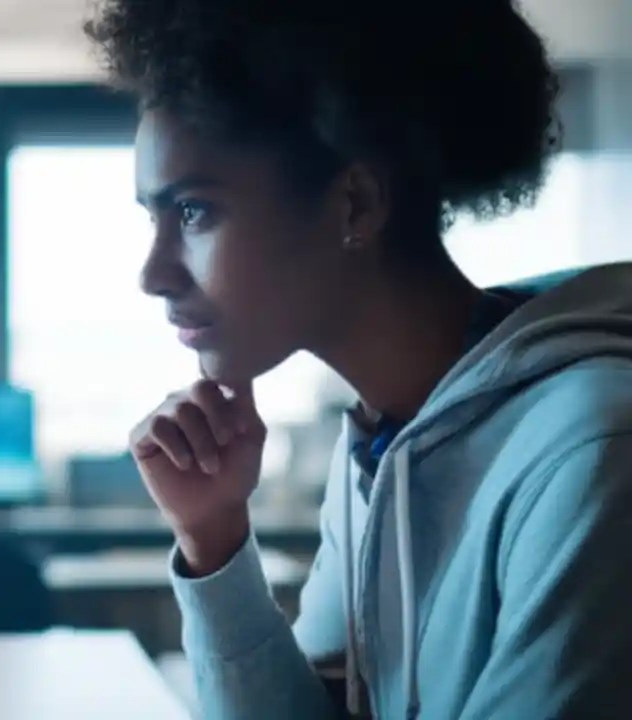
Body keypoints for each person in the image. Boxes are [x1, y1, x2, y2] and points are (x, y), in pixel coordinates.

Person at [85, 0, 632, 717]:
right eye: (152, 218)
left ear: (355, 205)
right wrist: (213, 538)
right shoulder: (380, 446)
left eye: (192, 211)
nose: (153, 274)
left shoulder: (592, 451)